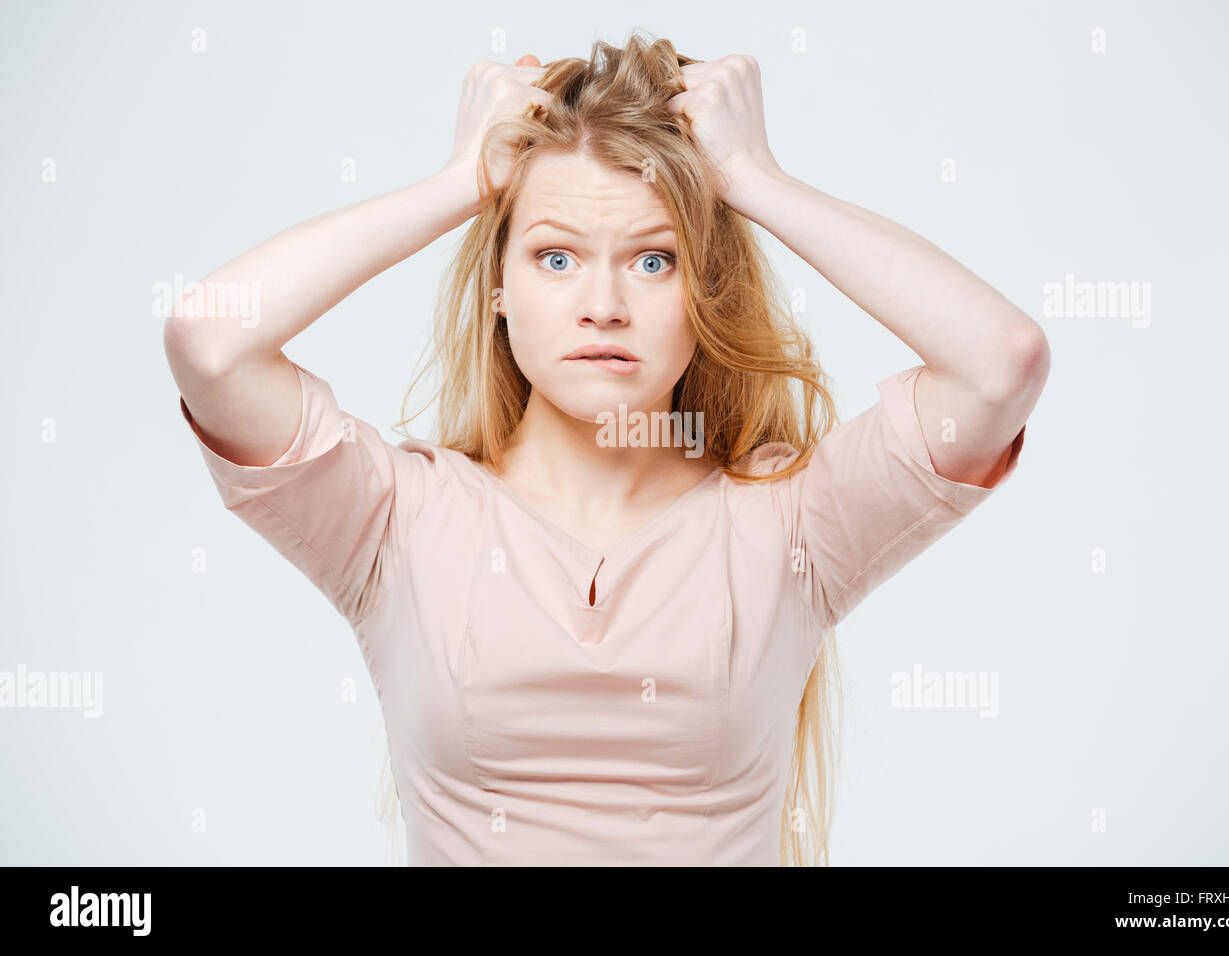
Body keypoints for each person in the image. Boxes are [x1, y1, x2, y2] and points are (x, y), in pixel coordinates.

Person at [163, 32, 1046, 866]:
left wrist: (753, 178)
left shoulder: (791, 523)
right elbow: (211, 341)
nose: (603, 304)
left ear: (706, 293)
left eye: (655, 260)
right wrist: (458, 183)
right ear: (499, 290)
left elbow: (1000, 364)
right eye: (555, 259)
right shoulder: (396, 521)